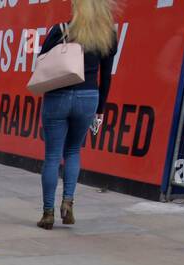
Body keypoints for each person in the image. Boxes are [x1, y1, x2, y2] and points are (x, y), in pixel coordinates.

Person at [37, 0, 119, 228]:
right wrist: (100, 109)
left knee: (53, 156)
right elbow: (107, 77)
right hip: (88, 98)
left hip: (58, 96)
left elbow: (41, 60)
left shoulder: (61, 30)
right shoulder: (107, 36)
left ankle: (47, 213)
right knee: (73, 150)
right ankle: (68, 203)